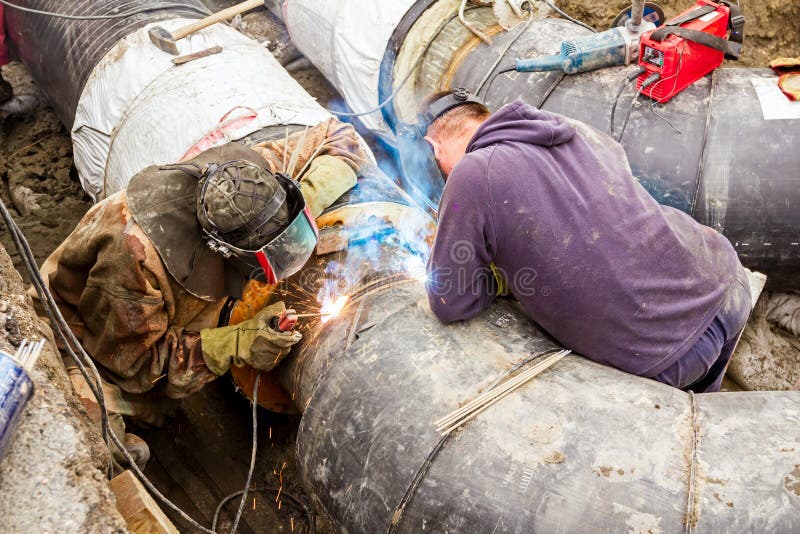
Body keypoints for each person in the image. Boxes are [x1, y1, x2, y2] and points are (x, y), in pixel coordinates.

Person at [35, 118, 368, 464]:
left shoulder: (248, 185)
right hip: (88, 341)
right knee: (111, 448)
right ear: (224, 252)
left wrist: (306, 200)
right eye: (268, 265)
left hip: (139, 324)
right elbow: (138, 366)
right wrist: (238, 342)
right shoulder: (136, 261)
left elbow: (338, 132)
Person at [422, 89, 752, 394]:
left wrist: (497, 277)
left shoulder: (472, 171)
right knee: (701, 427)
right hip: (725, 280)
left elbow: (450, 300)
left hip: (664, 348)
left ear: (434, 147)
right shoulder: (571, 129)